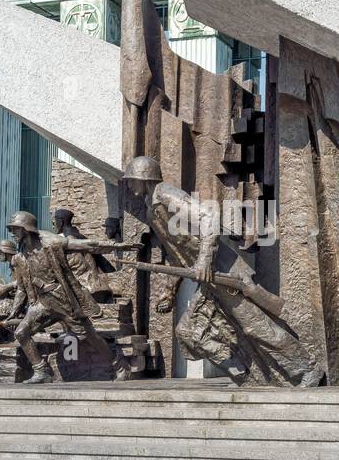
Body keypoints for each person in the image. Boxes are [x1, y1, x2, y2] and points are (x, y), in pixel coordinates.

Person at [121, 155, 324, 388]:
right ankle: (248, 376)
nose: (129, 185)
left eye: (132, 180)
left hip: (224, 272)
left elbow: (209, 217)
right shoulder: (151, 209)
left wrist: (205, 261)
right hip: (207, 281)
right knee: (188, 331)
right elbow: (176, 254)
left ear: (143, 177)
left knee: (256, 326)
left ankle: (308, 368)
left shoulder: (166, 194)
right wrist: (170, 290)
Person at [5, 211, 137, 384]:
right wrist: (13, 313)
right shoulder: (21, 255)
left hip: (64, 301)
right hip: (43, 303)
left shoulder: (50, 242)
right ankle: (42, 371)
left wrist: (118, 246)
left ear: (26, 229)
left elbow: (87, 245)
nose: (13, 233)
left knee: (89, 336)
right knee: (21, 333)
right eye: (12, 229)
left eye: (16, 229)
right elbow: (22, 287)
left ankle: (120, 365)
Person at [51, 208, 113, 300]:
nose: (53, 226)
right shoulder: (79, 236)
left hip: (86, 285)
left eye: (54, 222)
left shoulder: (68, 240)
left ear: (60, 222)